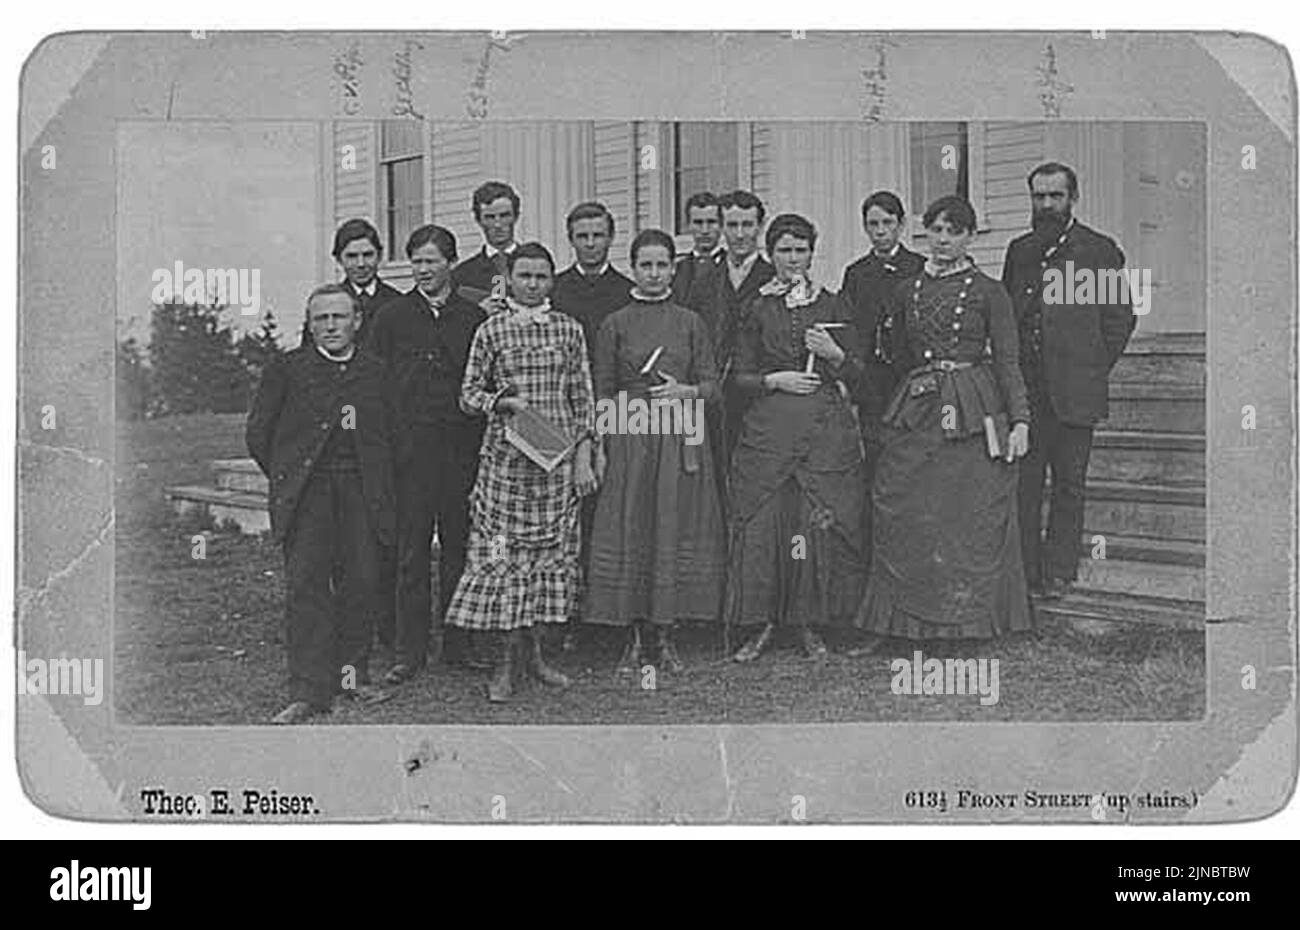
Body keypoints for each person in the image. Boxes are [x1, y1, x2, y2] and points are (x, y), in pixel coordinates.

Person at [854, 195, 1033, 646]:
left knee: (964, 513)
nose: (944, 240)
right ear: (925, 233)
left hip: (971, 409)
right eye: (936, 230)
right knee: (908, 507)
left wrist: (1021, 422)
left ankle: (964, 625)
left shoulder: (990, 291)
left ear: (970, 236)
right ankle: (901, 624)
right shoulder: (906, 290)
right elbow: (893, 360)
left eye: (954, 231)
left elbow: (1009, 362)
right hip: (918, 408)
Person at [446, 242, 598, 703]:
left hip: (554, 467)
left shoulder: (569, 330)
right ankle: (504, 664)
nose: (533, 284)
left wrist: (584, 455)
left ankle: (536, 657)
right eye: (525, 276)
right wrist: (500, 402)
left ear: (552, 281)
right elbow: (467, 394)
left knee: (542, 564)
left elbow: (583, 397)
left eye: (542, 277)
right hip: (505, 471)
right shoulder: (490, 331)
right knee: (503, 560)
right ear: (509, 279)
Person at [246, 284, 396, 723]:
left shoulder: (375, 370)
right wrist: (291, 475)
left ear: (357, 321)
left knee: (361, 582)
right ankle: (308, 691)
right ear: (310, 325)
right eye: (321, 319)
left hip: (361, 490)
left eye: (339, 317)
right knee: (307, 587)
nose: (331, 326)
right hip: (309, 493)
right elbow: (259, 434)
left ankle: (352, 677)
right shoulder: (288, 370)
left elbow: (392, 435)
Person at [725, 213, 868, 662]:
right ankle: (763, 624)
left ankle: (809, 624)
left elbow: (860, 371)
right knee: (768, 524)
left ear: (812, 252)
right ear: (771, 254)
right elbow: (738, 378)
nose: (792, 258)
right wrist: (775, 379)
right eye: (784, 250)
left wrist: (834, 354)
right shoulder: (757, 308)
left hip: (823, 429)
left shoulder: (834, 303)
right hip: (770, 428)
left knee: (811, 526)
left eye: (800, 250)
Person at [584, 229, 726, 673]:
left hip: (679, 433)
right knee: (633, 528)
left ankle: (665, 636)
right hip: (631, 435)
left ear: (672, 269)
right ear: (633, 268)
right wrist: (602, 447)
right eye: (645, 265)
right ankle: (631, 636)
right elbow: (603, 392)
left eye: (662, 265)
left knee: (671, 527)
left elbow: (713, 387)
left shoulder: (689, 322)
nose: (653, 273)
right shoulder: (615, 323)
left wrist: (685, 390)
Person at [1003, 162, 1136, 600]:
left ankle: (1059, 572)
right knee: (1025, 486)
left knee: (1068, 484)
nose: (1045, 205)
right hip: (1028, 394)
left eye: (1054, 196)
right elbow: (1008, 321)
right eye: (1038, 196)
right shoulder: (1020, 251)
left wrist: (1091, 370)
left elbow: (1120, 319)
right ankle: (1025, 573)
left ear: (1072, 198)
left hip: (1076, 392)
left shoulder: (1097, 250)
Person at [365, 225, 487, 684]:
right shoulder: (392, 318)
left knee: (459, 548)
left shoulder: (471, 318)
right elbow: (375, 386)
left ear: (450, 264)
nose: (423, 269)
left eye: (432, 261)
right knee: (410, 553)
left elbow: (483, 382)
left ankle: (458, 643)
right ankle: (409, 651)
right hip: (410, 455)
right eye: (416, 261)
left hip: (459, 452)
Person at [551, 202, 634, 650]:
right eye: (581, 236)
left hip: (613, 411)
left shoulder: (625, 290)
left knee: (606, 513)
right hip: (558, 415)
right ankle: (565, 616)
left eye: (597, 235)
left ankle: (608, 616)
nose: (589, 243)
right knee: (565, 518)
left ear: (610, 237)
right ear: (571, 239)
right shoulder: (556, 289)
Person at [299, 219, 402, 347]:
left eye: (368, 255)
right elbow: (309, 356)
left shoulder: (397, 302)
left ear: (379, 256)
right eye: (352, 256)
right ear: (339, 260)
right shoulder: (325, 304)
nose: (361, 264)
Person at [451, 181, 521, 302]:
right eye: (490, 217)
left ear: (516, 216)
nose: (498, 224)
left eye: (504, 216)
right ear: (479, 220)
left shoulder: (536, 264)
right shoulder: (462, 275)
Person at [670, 191, 726, 313]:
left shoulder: (734, 268)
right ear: (688, 225)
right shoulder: (675, 272)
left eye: (711, 222)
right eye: (698, 223)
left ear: (721, 225)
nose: (705, 230)